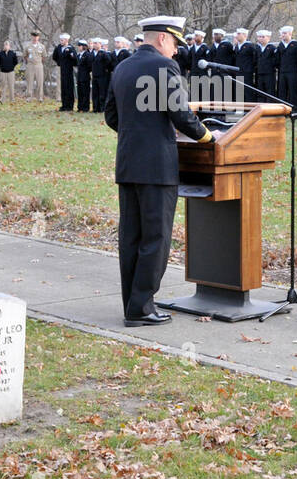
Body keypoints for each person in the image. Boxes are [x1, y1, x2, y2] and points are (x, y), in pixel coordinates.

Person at [104, 16, 218, 326]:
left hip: (128, 163)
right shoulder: (164, 68)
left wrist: (139, 132)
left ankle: (133, 303)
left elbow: (111, 116)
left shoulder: (123, 67)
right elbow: (180, 114)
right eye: (176, 45)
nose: (178, 52)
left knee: (131, 237)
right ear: (163, 39)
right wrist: (208, 137)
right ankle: (141, 309)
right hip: (156, 167)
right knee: (155, 238)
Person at [52, 34, 77, 111]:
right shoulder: (58, 48)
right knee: (63, 88)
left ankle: (70, 106)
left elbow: (75, 59)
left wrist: (70, 56)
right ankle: (64, 105)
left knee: (69, 88)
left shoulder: (71, 48)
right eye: (60, 40)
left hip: (69, 70)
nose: (61, 42)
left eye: (62, 40)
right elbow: (54, 56)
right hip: (62, 69)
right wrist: (59, 63)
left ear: (66, 40)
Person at [23, 31, 47, 101]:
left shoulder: (42, 46)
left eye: (36, 36)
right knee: (29, 81)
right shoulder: (27, 46)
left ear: (38, 37)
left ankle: (40, 97)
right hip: (30, 65)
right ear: (31, 36)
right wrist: (30, 61)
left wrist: (38, 62)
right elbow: (25, 56)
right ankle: (29, 97)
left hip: (39, 65)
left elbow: (44, 56)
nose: (35, 38)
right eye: (34, 36)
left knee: (40, 82)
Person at [75, 38, 93, 113]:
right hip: (79, 76)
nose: (79, 47)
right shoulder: (79, 55)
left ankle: (85, 107)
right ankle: (80, 107)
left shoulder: (87, 55)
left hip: (85, 76)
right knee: (80, 92)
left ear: (84, 46)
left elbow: (90, 66)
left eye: (80, 45)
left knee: (85, 92)